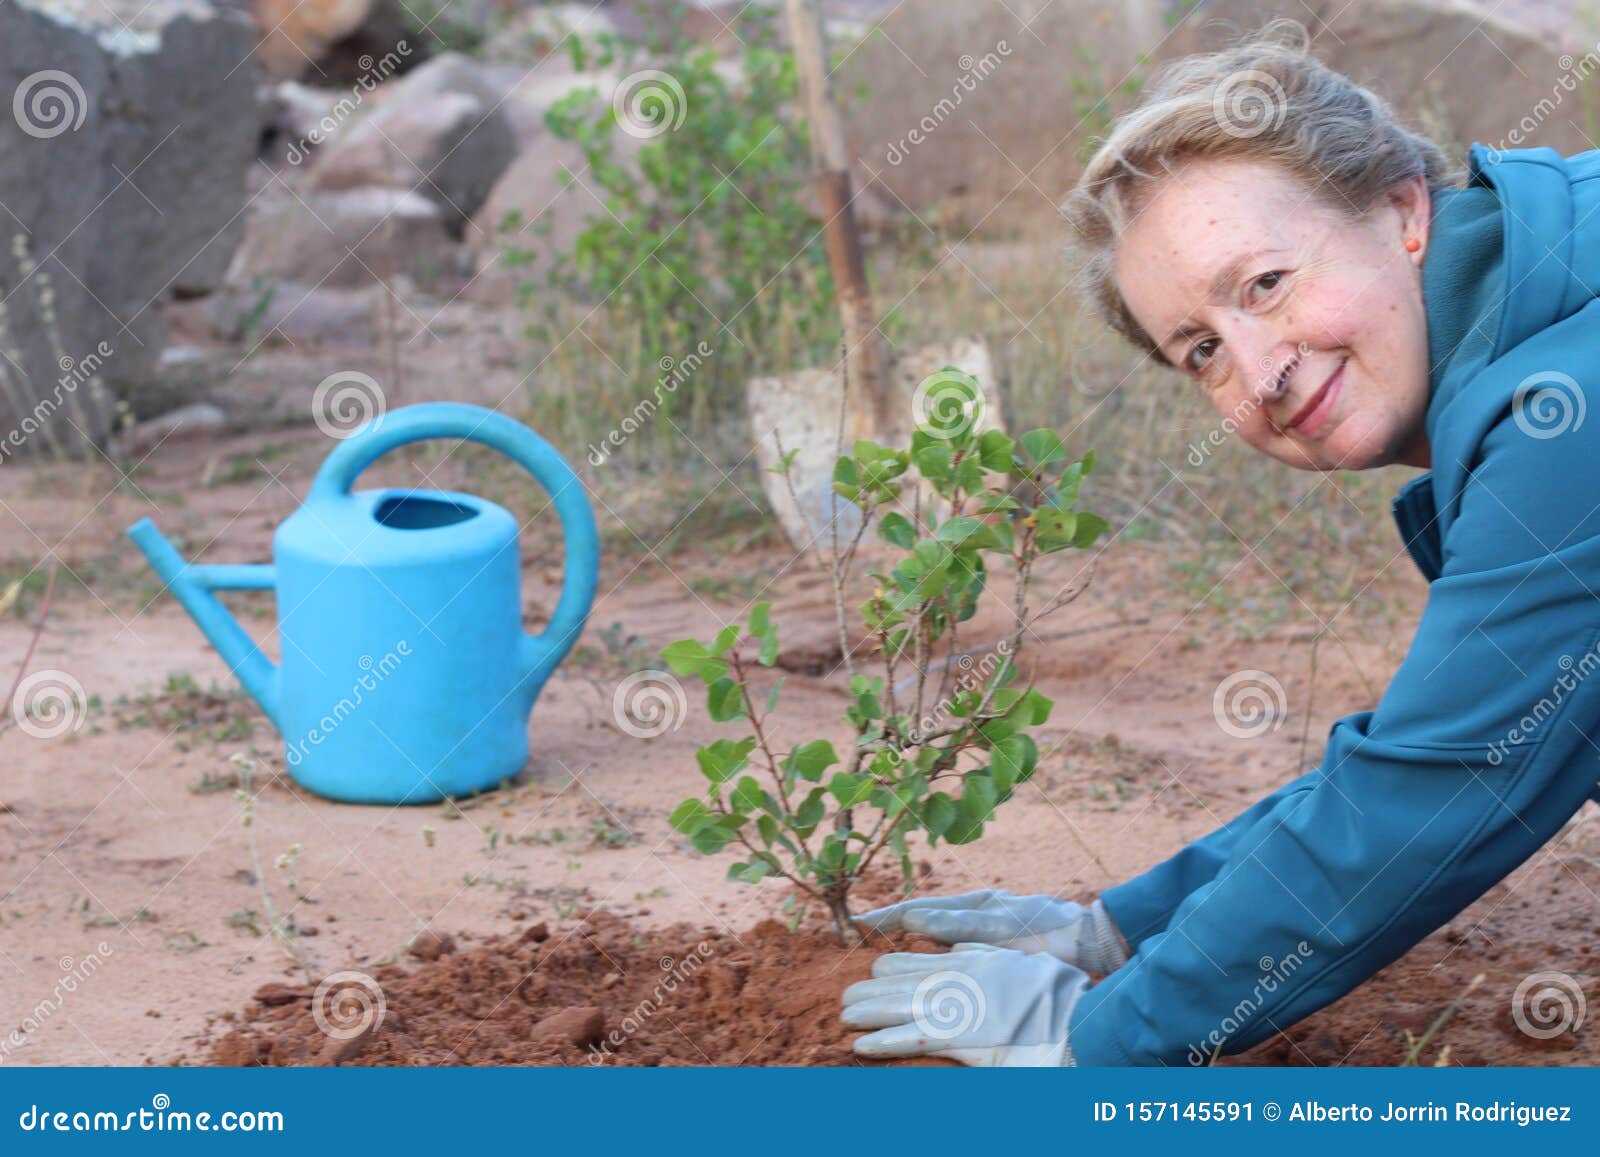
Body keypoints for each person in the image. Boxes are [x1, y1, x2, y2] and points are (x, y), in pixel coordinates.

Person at [838, 20, 1600, 1066]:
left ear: (1401, 210)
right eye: (1199, 349)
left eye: (1266, 284)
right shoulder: (1545, 304)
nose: (1258, 370)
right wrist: (1118, 928)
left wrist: (1084, 1039)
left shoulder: (1566, 410)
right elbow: (1468, 720)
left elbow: (1441, 785)